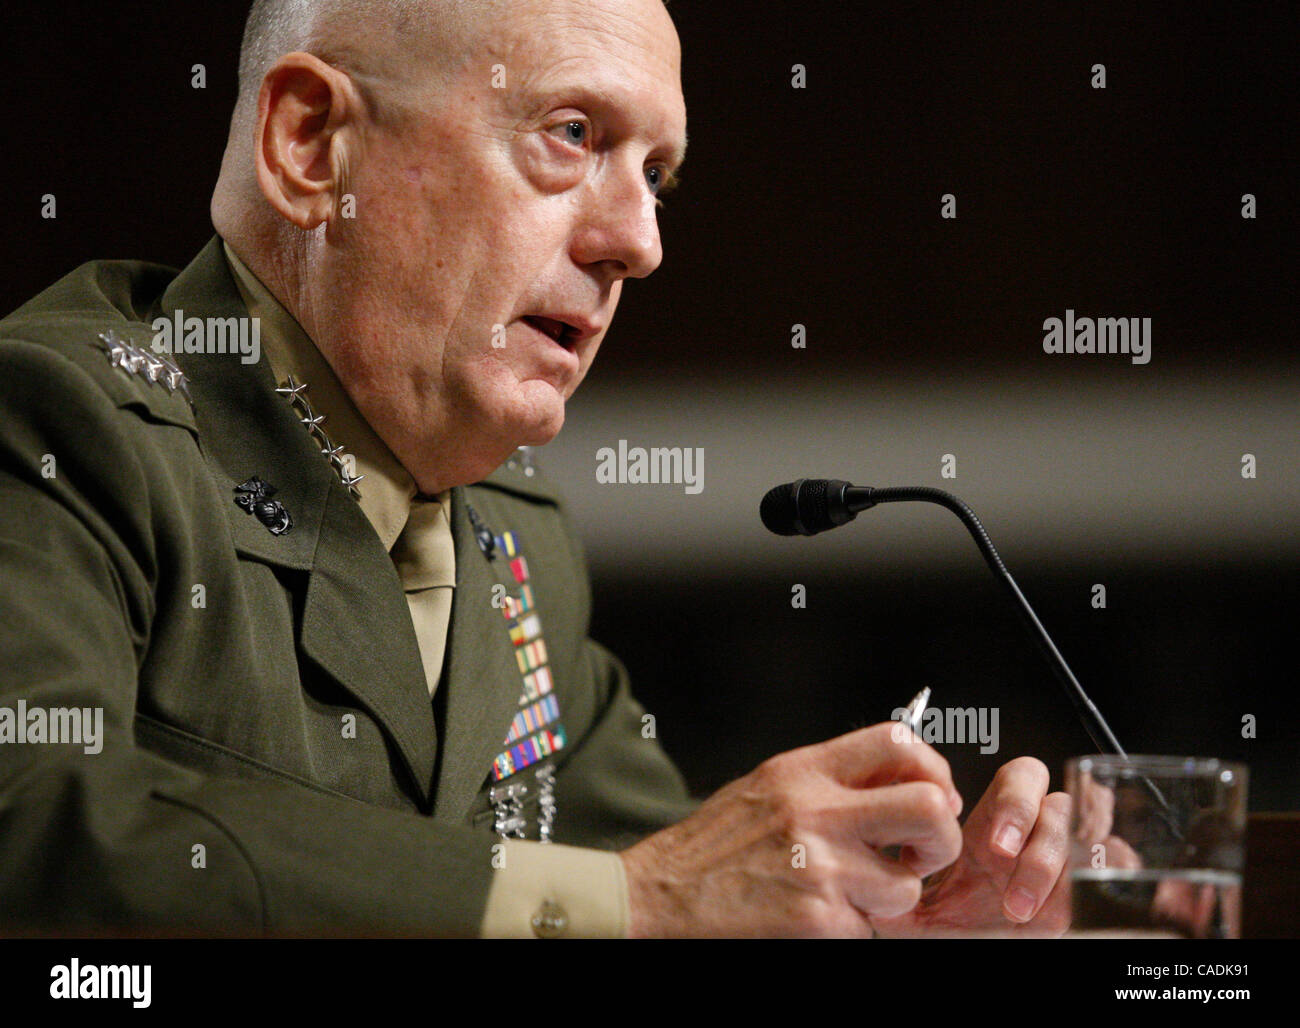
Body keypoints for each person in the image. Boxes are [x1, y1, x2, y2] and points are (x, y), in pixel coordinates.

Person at [0, 0, 1070, 937]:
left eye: (655, 175)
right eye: (571, 134)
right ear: (311, 144)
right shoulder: (55, 424)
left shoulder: (515, 532)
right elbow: (35, 827)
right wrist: (636, 904)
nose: (639, 242)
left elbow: (686, 874)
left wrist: (895, 909)